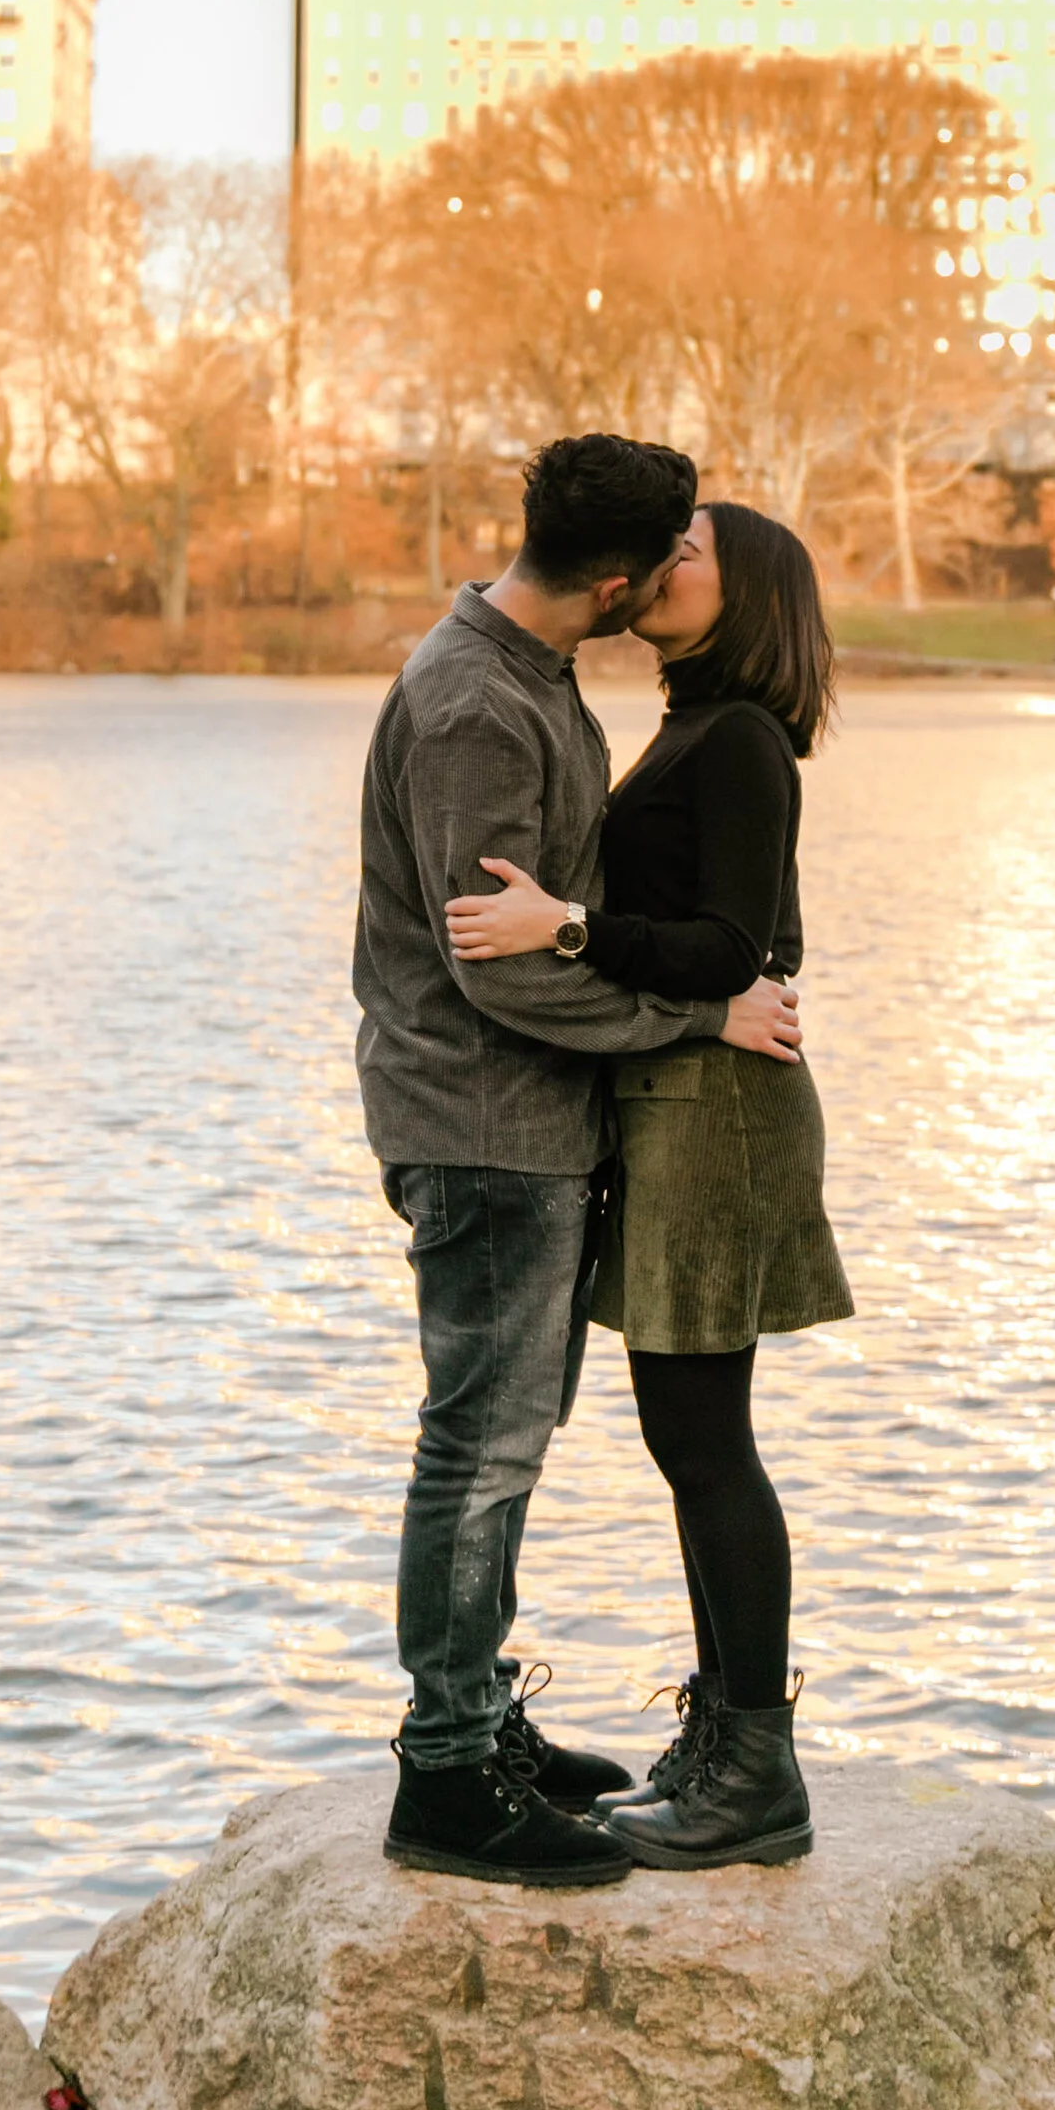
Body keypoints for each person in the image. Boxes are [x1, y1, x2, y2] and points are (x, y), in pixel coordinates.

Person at [353, 434, 806, 1888]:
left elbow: (609, 914)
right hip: (485, 1121)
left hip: (539, 1123)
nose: (672, 576)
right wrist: (703, 1006)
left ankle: (478, 1722)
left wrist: (679, 972)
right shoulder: (480, 703)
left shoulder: (539, 680)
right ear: (612, 582)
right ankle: (445, 1769)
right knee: (479, 1445)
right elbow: (501, 972)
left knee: (508, 1437)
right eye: (664, 556)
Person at [446, 499, 846, 1870]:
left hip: (718, 1109)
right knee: (691, 1436)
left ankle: (756, 1766)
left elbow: (729, 941)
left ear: (748, 599)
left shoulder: (737, 740)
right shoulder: (694, 725)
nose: (661, 566)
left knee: (704, 1436)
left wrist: (561, 923)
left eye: (690, 554)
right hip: (683, 1100)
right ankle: (727, 1743)